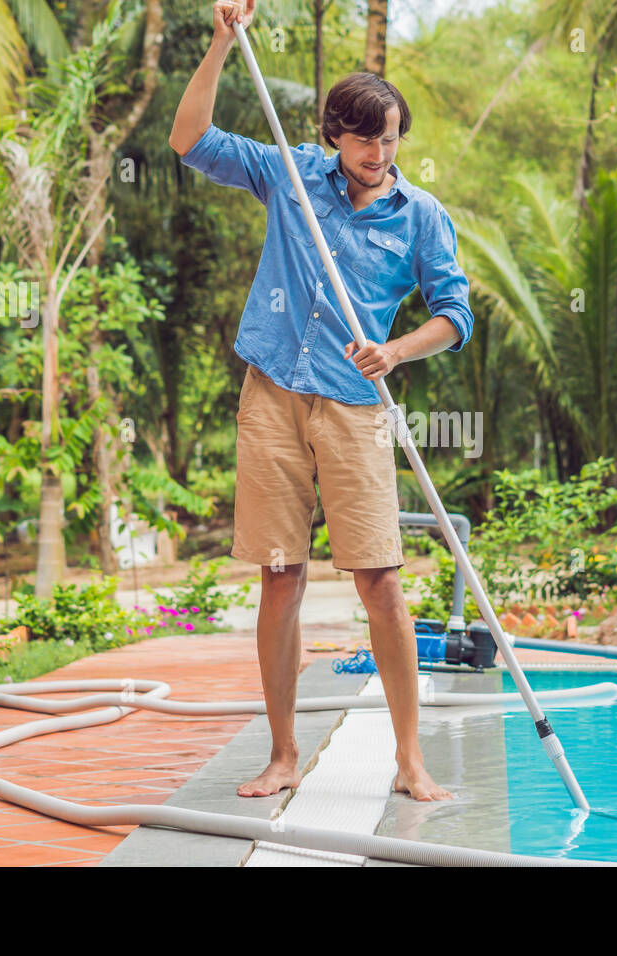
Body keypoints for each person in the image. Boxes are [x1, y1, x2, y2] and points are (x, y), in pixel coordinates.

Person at [168, 0, 473, 802]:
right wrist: (221, 41)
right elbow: (190, 139)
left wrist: (397, 349)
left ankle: (410, 759)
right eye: (368, 137)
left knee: (382, 583)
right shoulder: (293, 173)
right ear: (336, 134)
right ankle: (280, 754)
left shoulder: (422, 217)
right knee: (280, 574)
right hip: (271, 392)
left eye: (393, 137)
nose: (382, 152)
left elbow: (456, 315)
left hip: (354, 404)